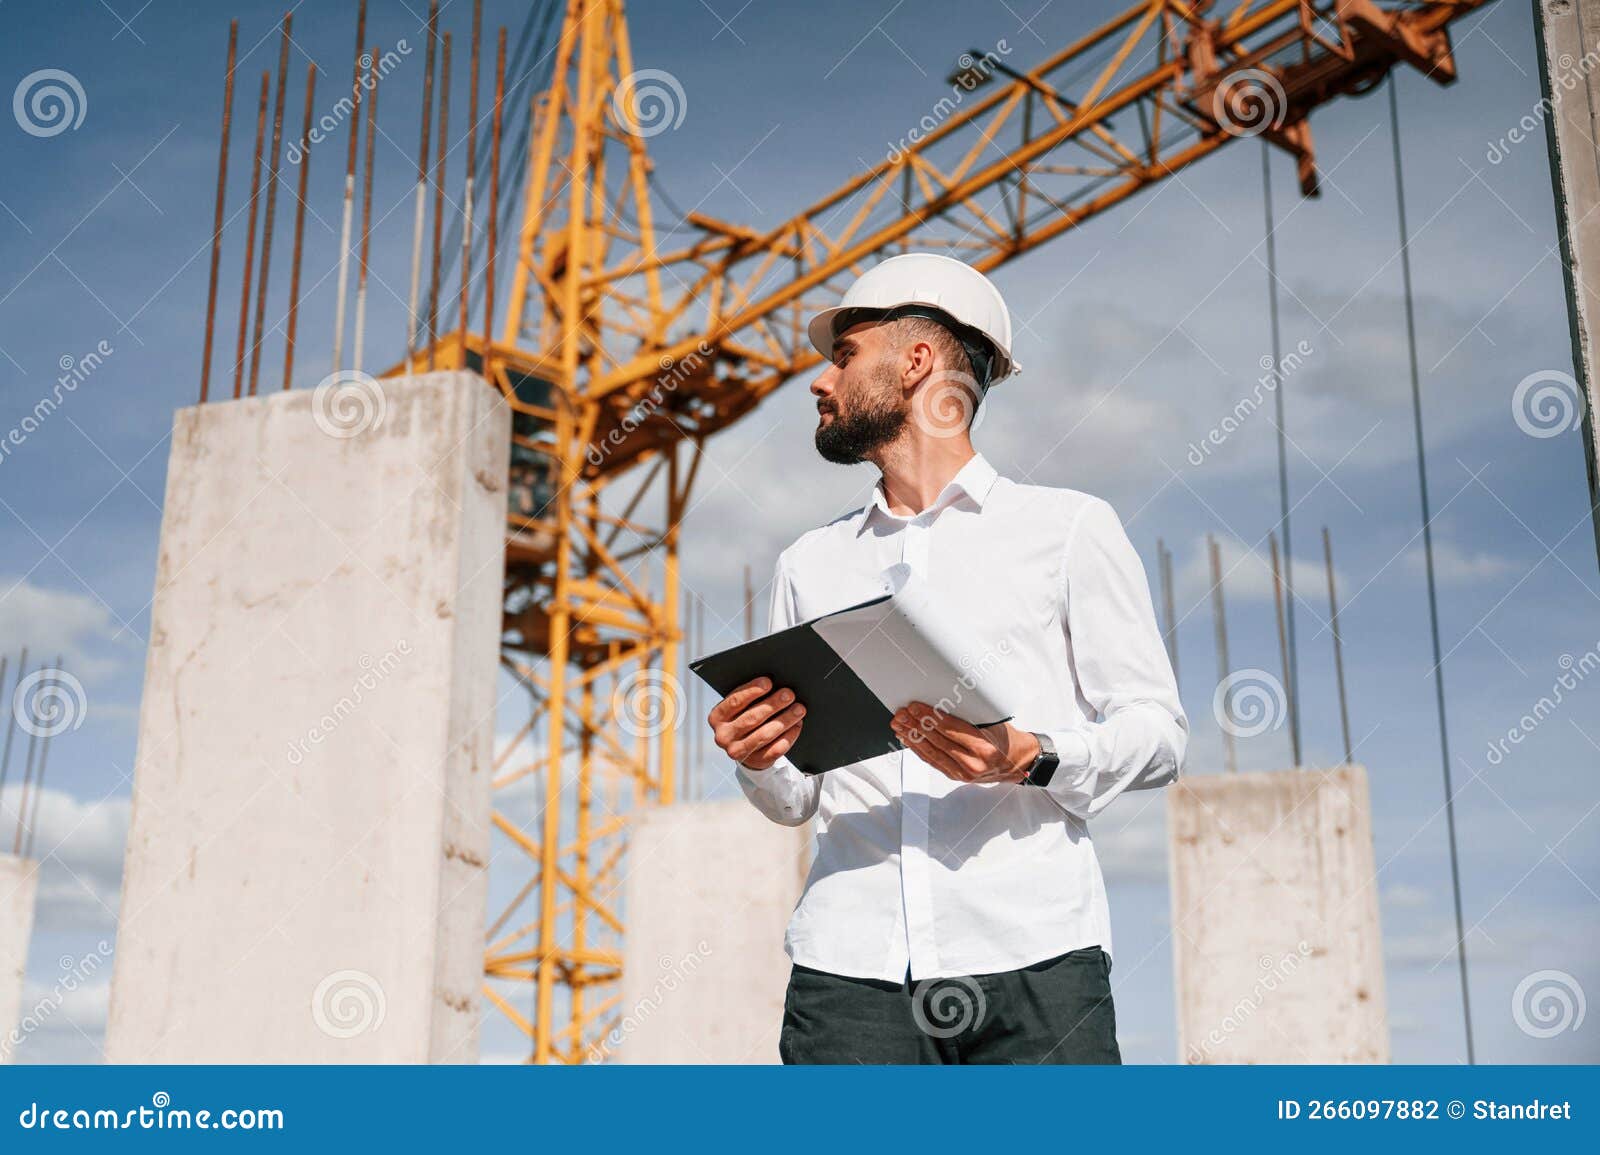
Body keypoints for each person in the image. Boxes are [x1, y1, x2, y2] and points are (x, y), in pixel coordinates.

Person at [705, 252, 1187, 1064]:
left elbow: (1159, 734)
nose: (820, 384)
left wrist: (1033, 755)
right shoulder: (809, 564)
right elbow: (794, 799)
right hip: (849, 978)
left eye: (844, 355)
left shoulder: (1067, 530)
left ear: (917, 361)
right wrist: (758, 757)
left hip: (1037, 964)